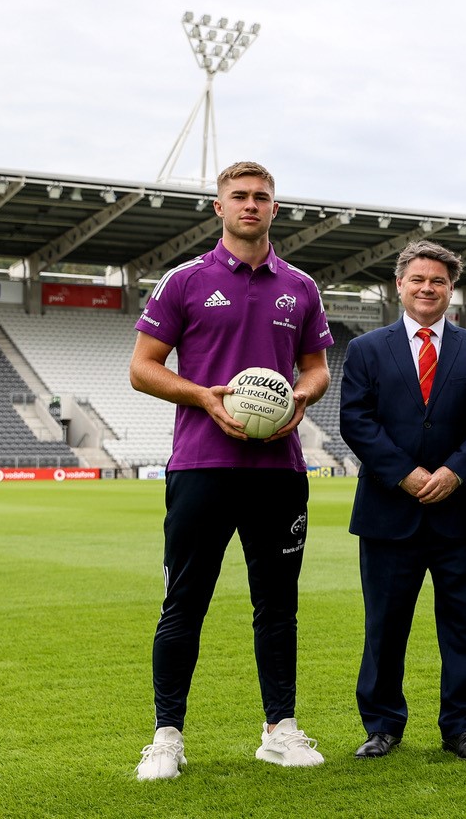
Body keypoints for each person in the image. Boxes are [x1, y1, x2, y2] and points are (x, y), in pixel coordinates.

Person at [130, 161, 333, 780]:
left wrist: (302, 397)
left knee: (278, 605)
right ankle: (167, 737)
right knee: (184, 602)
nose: (251, 204)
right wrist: (203, 396)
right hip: (202, 465)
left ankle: (280, 729)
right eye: (239, 196)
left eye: (261, 197)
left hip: (278, 470)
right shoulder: (184, 281)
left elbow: (317, 368)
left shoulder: (300, 286)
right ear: (219, 207)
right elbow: (142, 367)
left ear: (275, 209)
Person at [340, 241, 466, 761]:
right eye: (417, 279)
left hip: (459, 513)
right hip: (388, 512)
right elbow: (356, 421)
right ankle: (382, 726)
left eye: (438, 280)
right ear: (399, 285)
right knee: (384, 627)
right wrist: (405, 474)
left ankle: (461, 727)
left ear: (450, 288)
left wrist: (455, 472)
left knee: (464, 627)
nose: (427, 288)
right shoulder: (365, 349)